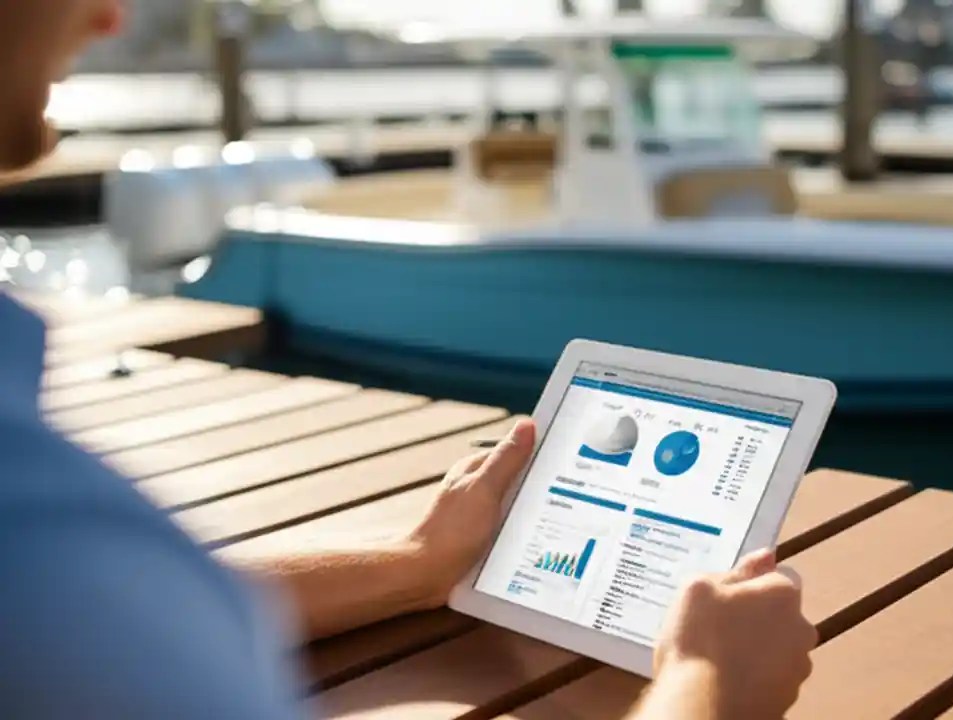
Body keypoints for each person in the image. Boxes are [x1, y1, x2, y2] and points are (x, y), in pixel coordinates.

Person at [0, 2, 817, 718]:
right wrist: (710, 690)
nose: (110, 16)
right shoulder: (38, 530)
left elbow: (130, 613)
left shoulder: (48, 559)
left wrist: (413, 565)